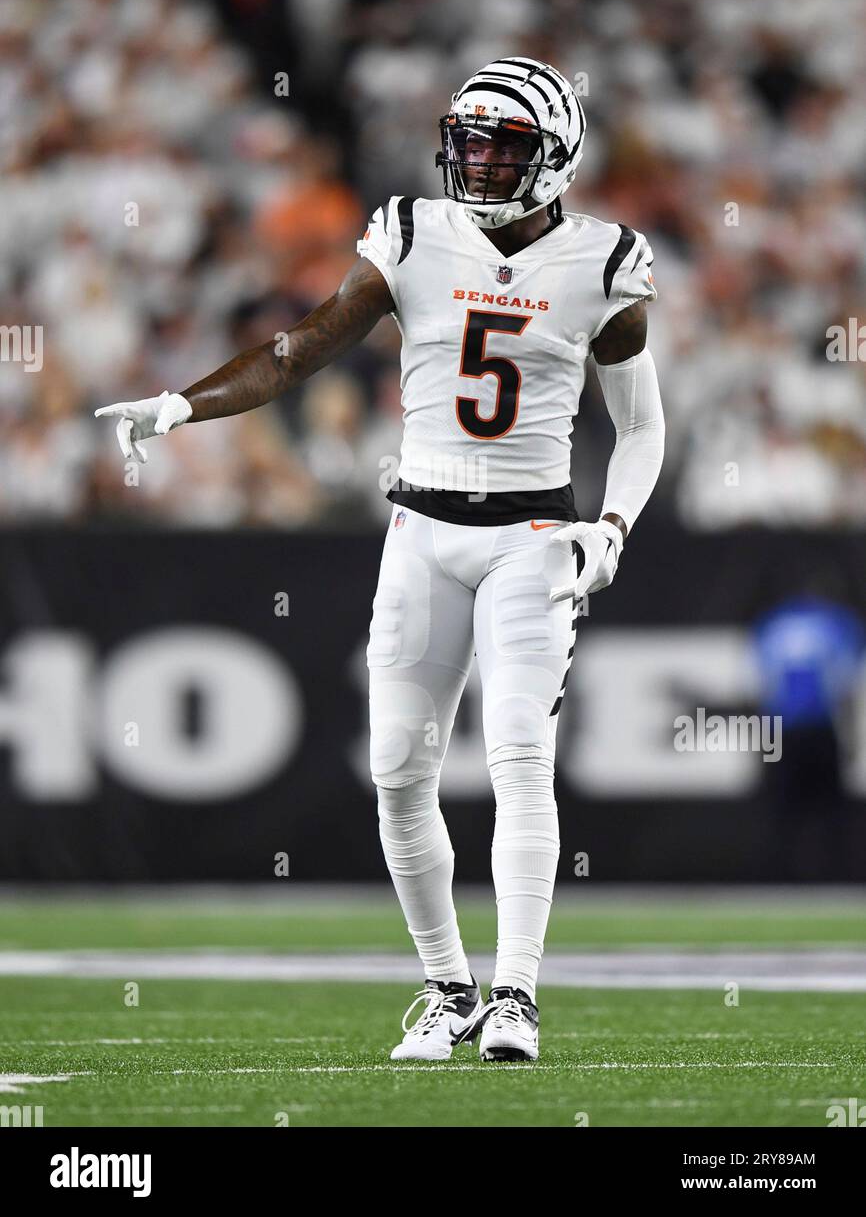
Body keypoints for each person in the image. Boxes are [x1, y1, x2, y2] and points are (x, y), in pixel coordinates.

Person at [95, 57, 666, 1062]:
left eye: (504, 146)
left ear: (557, 156)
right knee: (398, 774)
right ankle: (447, 988)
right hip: (420, 531)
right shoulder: (410, 233)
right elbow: (295, 351)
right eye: (471, 141)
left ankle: (516, 997)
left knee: (518, 762)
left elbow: (642, 427)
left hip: (532, 536)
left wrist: (609, 527)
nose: (480, 162)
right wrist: (181, 403)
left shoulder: (600, 261)